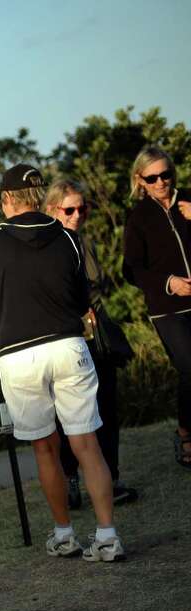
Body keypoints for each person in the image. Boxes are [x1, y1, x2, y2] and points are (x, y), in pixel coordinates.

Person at [0, 164, 124, 563]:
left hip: (19, 353)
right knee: (87, 443)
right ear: (41, 196)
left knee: (45, 448)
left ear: (8, 199)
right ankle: (108, 536)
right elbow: (82, 299)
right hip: (68, 345)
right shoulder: (67, 237)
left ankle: (64, 535)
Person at [44, 178, 139, 507]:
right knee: (67, 411)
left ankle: (109, 478)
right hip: (66, 337)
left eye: (82, 208)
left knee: (106, 407)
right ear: (51, 210)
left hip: (95, 334)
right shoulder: (48, 247)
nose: (76, 215)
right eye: (68, 209)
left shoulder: (84, 242)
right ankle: (70, 478)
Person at [122, 145, 191, 469]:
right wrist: (169, 282)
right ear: (140, 179)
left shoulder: (189, 200)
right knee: (189, 368)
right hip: (168, 309)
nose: (161, 182)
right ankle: (186, 433)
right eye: (153, 177)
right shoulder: (138, 217)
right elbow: (131, 269)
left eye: (166, 174)